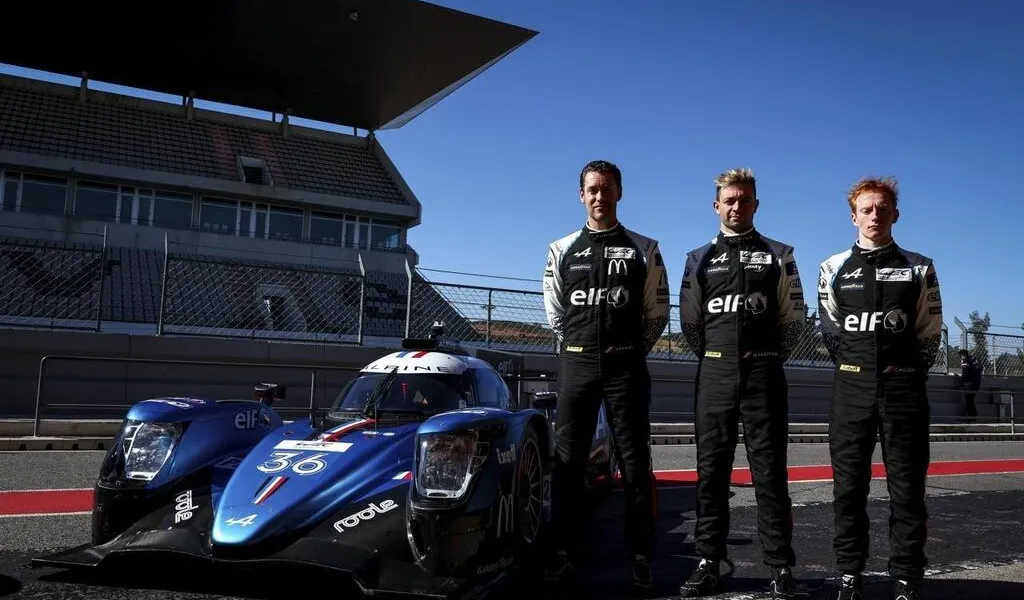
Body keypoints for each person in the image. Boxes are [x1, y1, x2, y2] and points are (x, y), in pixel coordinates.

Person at [542, 159, 670, 590]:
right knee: (567, 463)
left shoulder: (645, 247)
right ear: (582, 195)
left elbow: (657, 314)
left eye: (607, 189)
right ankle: (562, 552)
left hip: (626, 366)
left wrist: (627, 351)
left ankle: (639, 553)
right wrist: (581, 349)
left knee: (635, 463)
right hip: (577, 365)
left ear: (619, 193)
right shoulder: (561, 249)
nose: (600, 196)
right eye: (593, 189)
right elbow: (556, 313)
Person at [677, 167, 805, 599]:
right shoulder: (697, 258)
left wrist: (763, 357)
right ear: (717, 206)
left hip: (765, 374)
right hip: (714, 374)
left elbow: (793, 321)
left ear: (756, 204)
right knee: (711, 473)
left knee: (770, 474)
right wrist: (718, 357)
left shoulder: (779, 254)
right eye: (729, 200)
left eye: (744, 199)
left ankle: (780, 567)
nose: (736, 206)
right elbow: (690, 323)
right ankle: (708, 561)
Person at [817, 176, 943, 600]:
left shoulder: (920, 266)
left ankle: (907, 576)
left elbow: (929, 335)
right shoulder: (832, 267)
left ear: (895, 214)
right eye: (866, 209)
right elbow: (833, 333)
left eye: (882, 208)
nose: (874, 215)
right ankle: (849, 572)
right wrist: (860, 368)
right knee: (847, 487)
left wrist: (900, 371)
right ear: (853, 216)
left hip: (903, 390)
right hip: (850, 389)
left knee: (907, 488)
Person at [958, 349, 981, 417]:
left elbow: (965, 372)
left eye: (961, 356)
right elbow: (981, 368)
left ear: (963, 355)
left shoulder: (965, 361)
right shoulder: (975, 359)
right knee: (971, 399)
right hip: (977, 382)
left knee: (969, 400)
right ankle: (973, 415)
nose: (961, 358)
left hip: (969, 383)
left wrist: (961, 382)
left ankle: (971, 416)